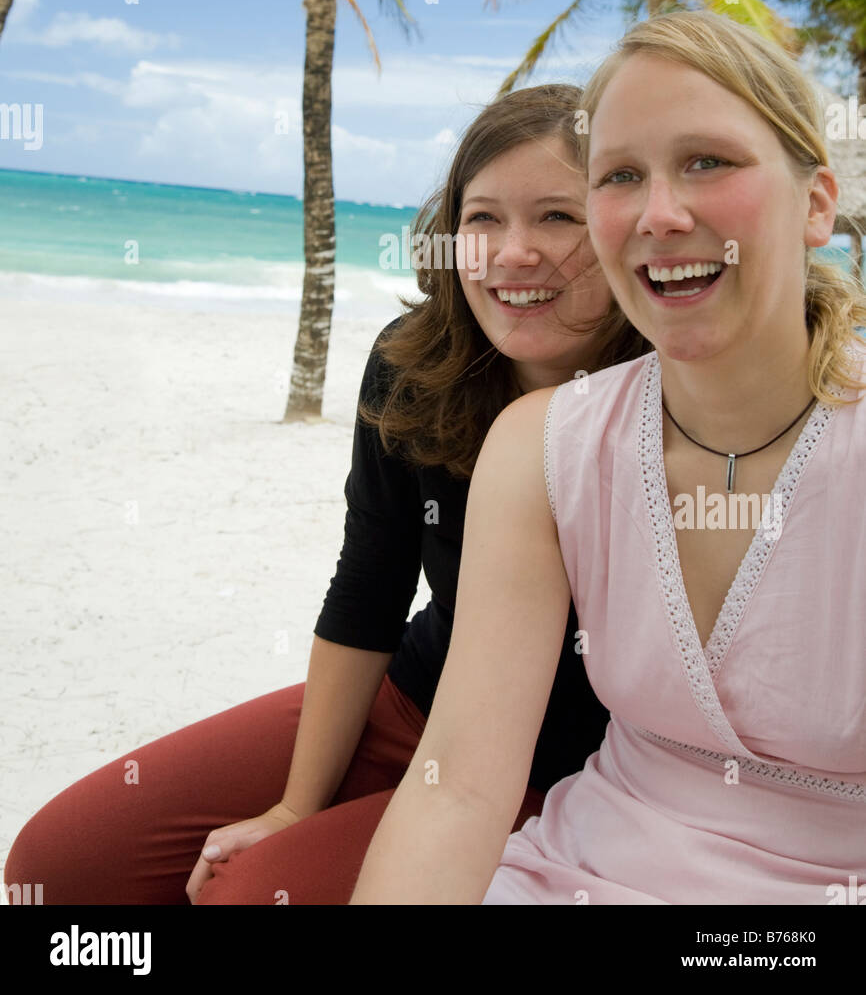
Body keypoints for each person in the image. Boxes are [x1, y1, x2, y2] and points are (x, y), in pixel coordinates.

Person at [3, 83, 650, 906]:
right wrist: (295, 805)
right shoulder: (420, 364)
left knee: (249, 899)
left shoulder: (673, 406)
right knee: (58, 866)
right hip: (418, 697)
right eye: (483, 219)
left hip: (566, 773)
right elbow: (369, 584)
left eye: (557, 217)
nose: (512, 252)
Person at [350, 9, 866, 906]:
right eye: (621, 175)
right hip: (574, 870)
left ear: (816, 202)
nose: (661, 214)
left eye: (708, 161)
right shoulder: (548, 444)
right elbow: (464, 788)